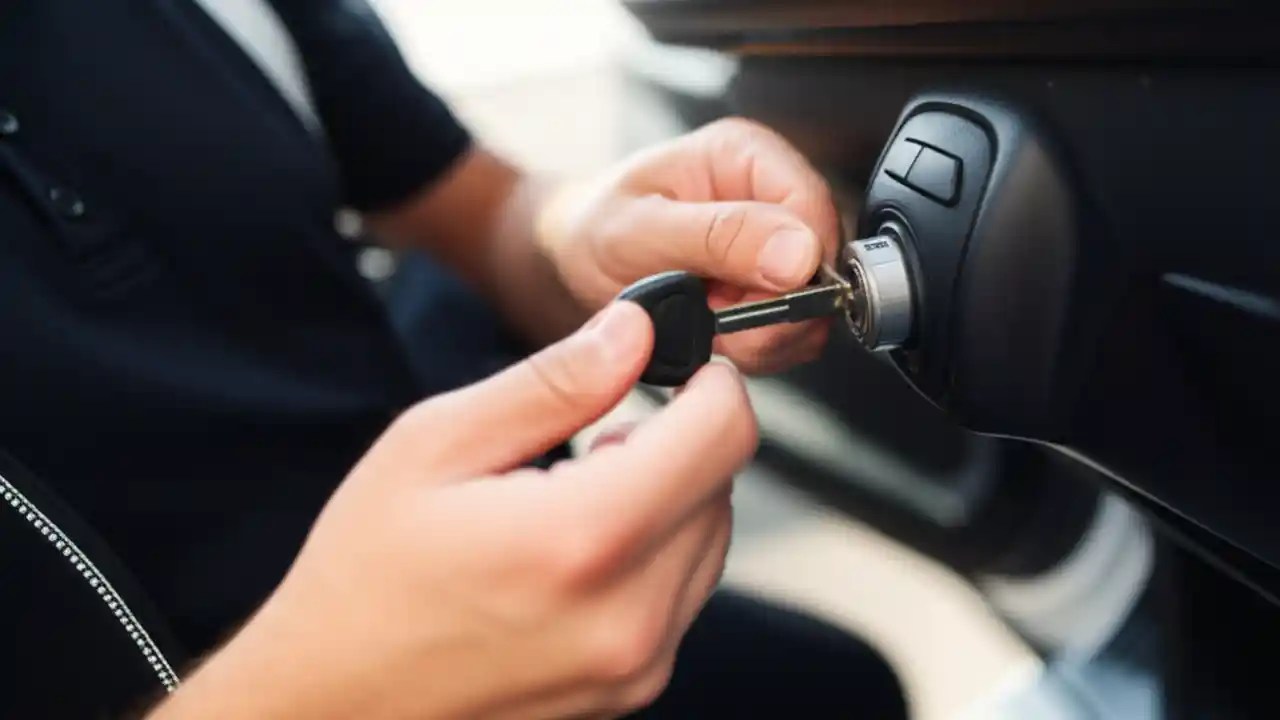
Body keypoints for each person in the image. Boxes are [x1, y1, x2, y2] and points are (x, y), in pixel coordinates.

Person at [0, 0, 906, 717]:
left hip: (518, 593)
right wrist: (317, 697)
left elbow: (485, 214)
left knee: (848, 688)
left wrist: (586, 232)